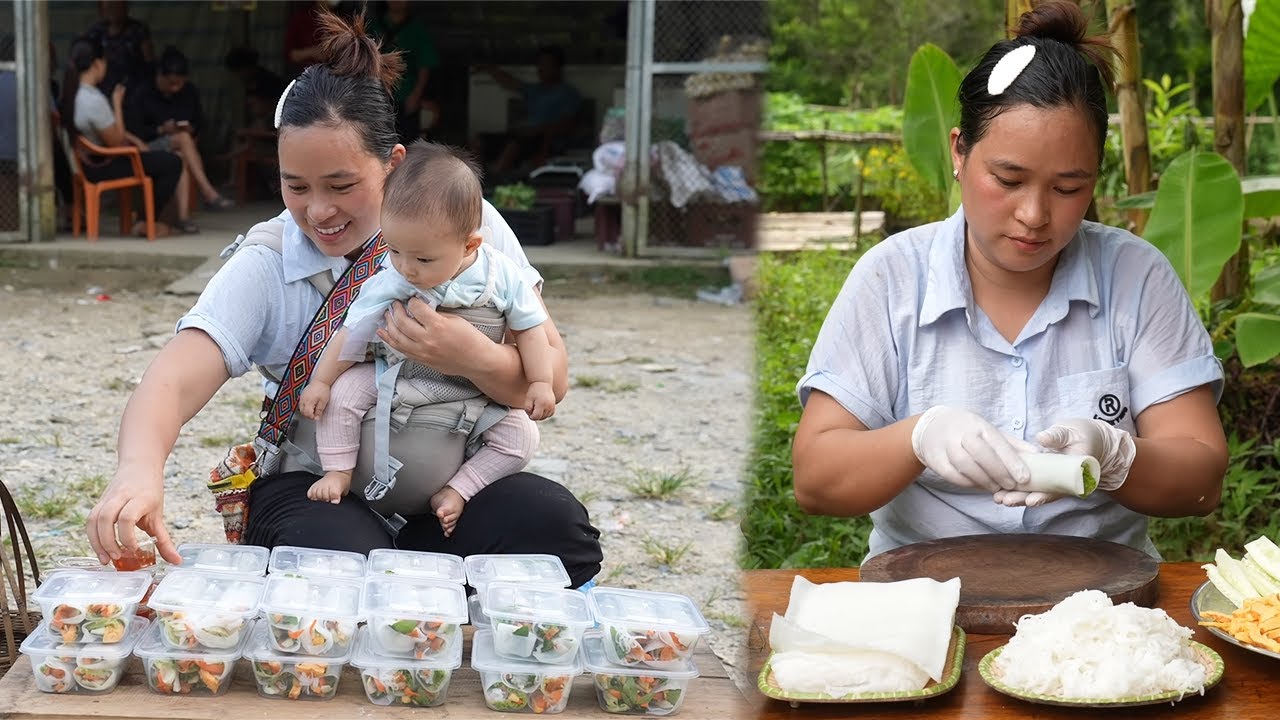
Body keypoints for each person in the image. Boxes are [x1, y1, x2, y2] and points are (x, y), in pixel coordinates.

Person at [85, 8, 601, 589]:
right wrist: (138, 470)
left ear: (394, 164)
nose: (319, 211)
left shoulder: (466, 226)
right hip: (320, 488)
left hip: (449, 492)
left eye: (342, 185)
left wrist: (470, 356)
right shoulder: (269, 260)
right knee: (336, 564)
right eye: (296, 186)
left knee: (556, 530)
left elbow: (551, 379)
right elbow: (172, 379)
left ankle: (428, 601)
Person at [790, 1, 1228, 562]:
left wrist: (1114, 455)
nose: (1034, 214)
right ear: (959, 151)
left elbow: (1202, 480)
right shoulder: (892, 278)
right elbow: (815, 480)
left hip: (1102, 596)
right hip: (922, 591)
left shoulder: (1135, 278)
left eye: (1068, 188)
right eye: (1008, 179)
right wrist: (918, 438)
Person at [298, 140, 555, 540]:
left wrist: (539, 381)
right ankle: (338, 470)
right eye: (394, 250)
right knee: (344, 393)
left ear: (470, 244)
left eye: (422, 259)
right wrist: (322, 381)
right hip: (397, 376)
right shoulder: (392, 277)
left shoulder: (501, 276)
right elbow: (353, 330)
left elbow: (530, 329)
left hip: (473, 392)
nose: (407, 268)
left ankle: (459, 489)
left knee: (521, 438)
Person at [60, 35, 195, 236]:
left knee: (161, 159)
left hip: (86, 164)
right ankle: (145, 221)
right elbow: (116, 142)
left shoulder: (71, 94)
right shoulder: (92, 100)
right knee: (173, 163)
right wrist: (117, 104)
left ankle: (148, 219)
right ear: (97, 64)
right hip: (102, 166)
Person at [128, 46, 235, 211]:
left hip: (182, 147)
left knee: (180, 156)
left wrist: (192, 129)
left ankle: (184, 217)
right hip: (148, 147)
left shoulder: (189, 91)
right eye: (171, 83)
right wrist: (161, 130)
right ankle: (209, 193)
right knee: (183, 139)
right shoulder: (142, 93)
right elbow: (134, 131)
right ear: (160, 76)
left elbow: (199, 121)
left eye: (179, 83)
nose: (175, 88)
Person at [477, 46, 582, 178]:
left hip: (545, 139)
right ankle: (475, 180)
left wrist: (537, 131)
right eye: (540, 65)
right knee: (479, 140)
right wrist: (489, 68)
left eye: (546, 65)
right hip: (524, 136)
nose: (541, 69)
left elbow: (567, 123)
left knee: (513, 145)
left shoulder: (568, 93)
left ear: (557, 68)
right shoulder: (534, 90)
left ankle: (495, 178)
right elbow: (511, 83)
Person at [369, 0, 440, 143]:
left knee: (407, 142)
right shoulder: (373, 26)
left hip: (406, 95)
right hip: (377, 93)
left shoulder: (417, 29)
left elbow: (425, 64)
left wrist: (416, 95)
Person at [83, 0, 153, 96]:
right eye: (109, 7)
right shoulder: (95, 32)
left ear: (126, 7)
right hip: (104, 91)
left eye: (118, 6)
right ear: (101, 10)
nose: (114, 11)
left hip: (134, 91)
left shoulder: (139, 30)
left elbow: (149, 61)